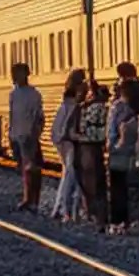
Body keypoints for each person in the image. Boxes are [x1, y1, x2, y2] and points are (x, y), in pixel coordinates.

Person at [7, 62, 44, 212]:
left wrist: (35, 133)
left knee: (32, 169)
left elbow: (39, 116)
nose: (15, 77)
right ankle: (28, 198)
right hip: (17, 135)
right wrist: (10, 134)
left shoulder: (34, 94)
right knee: (24, 169)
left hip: (29, 135)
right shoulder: (13, 94)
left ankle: (33, 199)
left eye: (18, 73)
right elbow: (12, 116)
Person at [106, 79, 139, 233]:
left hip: (119, 153)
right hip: (136, 153)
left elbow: (111, 130)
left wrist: (111, 145)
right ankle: (136, 220)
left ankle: (118, 222)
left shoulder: (117, 108)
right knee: (135, 189)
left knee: (118, 188)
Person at [50, 69, 86, 221]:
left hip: (60, 139)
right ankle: (66, 210)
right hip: (67, 142)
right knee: (70, 174)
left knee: (67, 174)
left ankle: (60, 208)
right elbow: (69, 128)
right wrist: (80, 137)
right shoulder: (75, 105)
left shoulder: (66, 101)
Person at [74, 80, 109, 230]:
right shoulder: (96, 107)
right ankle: (96, 214)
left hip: (89, 146)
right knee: (95, 182)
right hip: (93, 147)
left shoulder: (94, 108)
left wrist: (76, 136)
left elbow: (88, 129)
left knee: (91, 182)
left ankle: (97, 215)